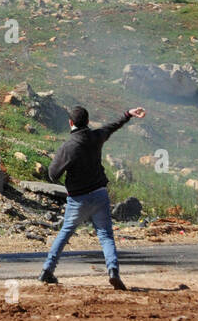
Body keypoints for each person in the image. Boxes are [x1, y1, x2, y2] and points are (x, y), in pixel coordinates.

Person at [40, 106, 147, 289]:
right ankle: (113, 271)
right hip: (99, 195)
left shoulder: (68, 146)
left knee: (65, 233)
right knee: (105, 236)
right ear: (88, 122)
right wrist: (127, 115)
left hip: (77, 199)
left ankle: (47, 271)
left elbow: (53, 175)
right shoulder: (96, 136)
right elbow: (112, 126)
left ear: (70, 123)